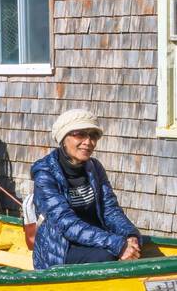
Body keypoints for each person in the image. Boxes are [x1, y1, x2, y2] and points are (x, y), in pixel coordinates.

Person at [30, 109, 141, 269]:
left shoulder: (94, 167)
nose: (88, 142)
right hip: (60, 249)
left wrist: (129, 235)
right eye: (79, 134)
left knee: (135, 248)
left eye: (93, 135)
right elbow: (66, 224)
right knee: (108, 256)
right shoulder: (45, 174)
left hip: (95, 239)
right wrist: (117, 244)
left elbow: (110, 210)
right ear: (63, 139)